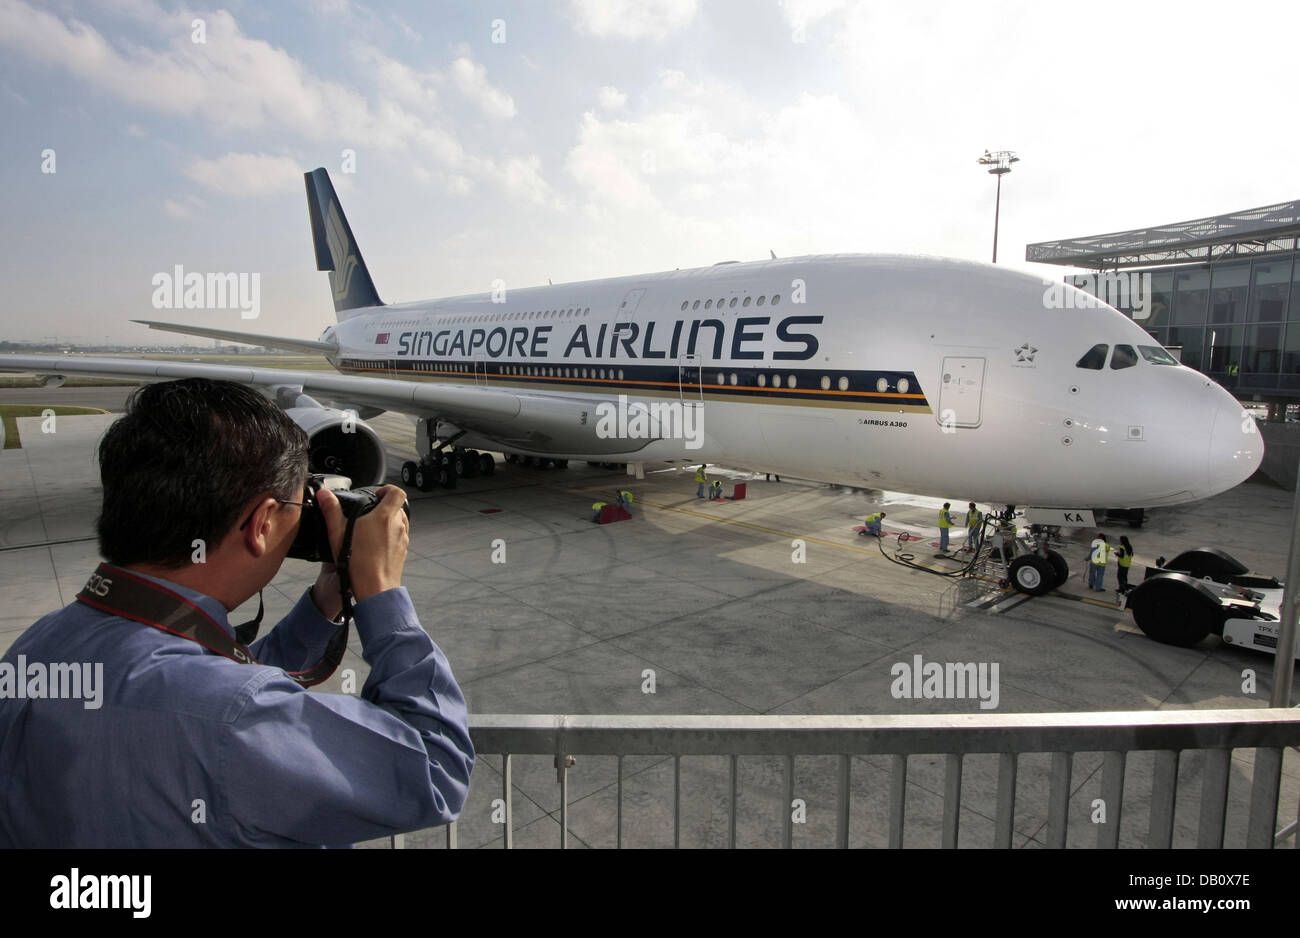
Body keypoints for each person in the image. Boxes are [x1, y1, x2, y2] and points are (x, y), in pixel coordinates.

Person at [0, 379, 474, 848]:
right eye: (300, 501)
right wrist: (382, 594)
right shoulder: (233, 718)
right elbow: (435, 768)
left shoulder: (40, 646)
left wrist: (326, 598)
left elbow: (201, 682)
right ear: (261, 524)